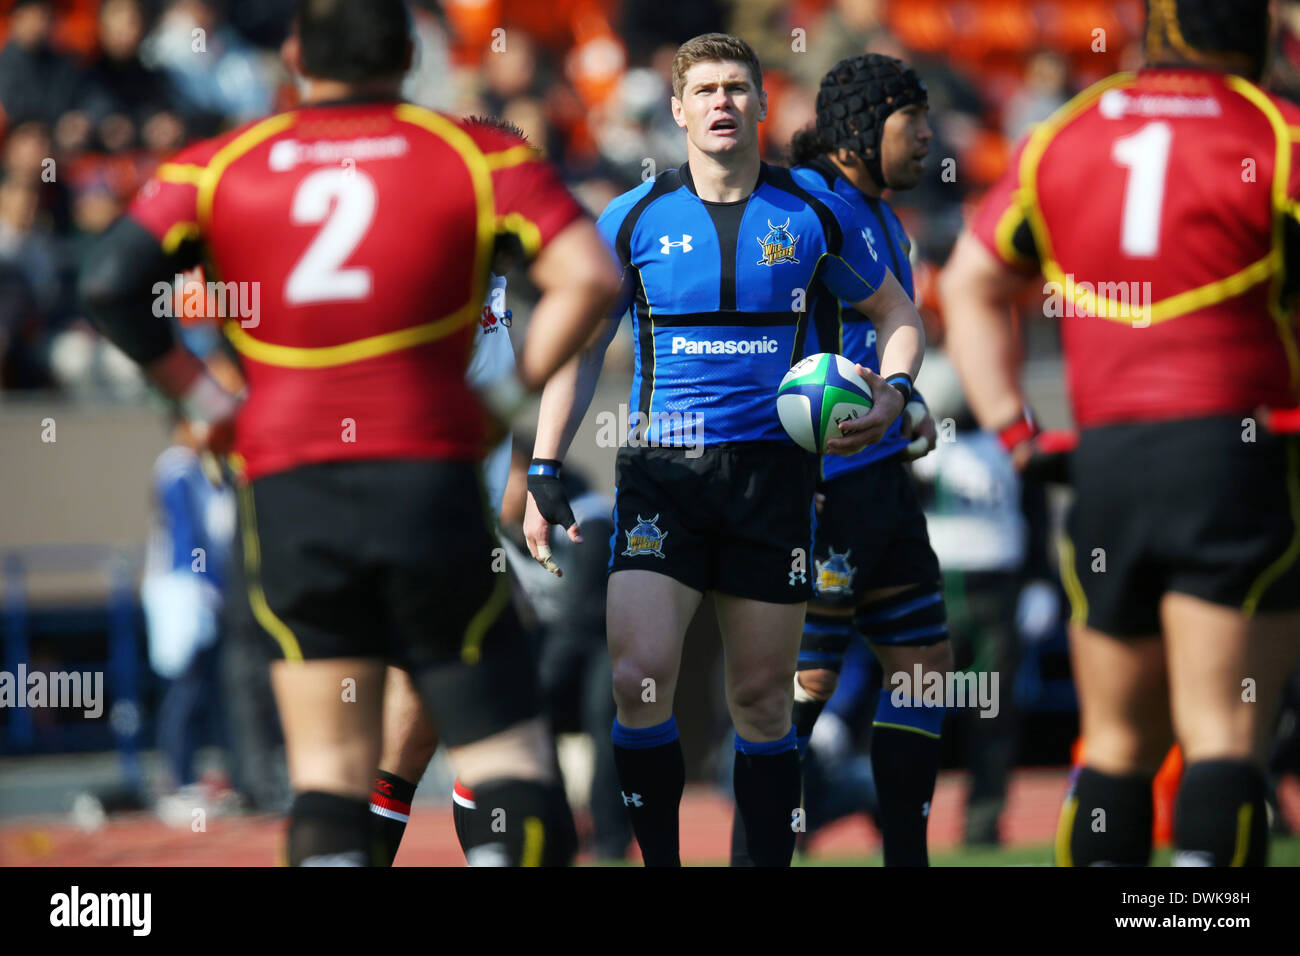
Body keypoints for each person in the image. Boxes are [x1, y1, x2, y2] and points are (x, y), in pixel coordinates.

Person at [80, 0, 622, 866]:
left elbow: (110, 282)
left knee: (327, 774)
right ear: (411, 55)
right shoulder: (470, 156)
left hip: (291, 484)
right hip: (426, 469)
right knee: (508, 753)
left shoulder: (223, 162)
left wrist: (208, 406)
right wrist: (509, 409)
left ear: (292, 55)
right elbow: (591, 277)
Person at [524, 32, 926, 867]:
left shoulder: (813, 213)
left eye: (737, 87)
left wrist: (897, 394)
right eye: (703, 89)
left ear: (762, 102)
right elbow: (582, 350)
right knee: (638, 677)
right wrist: (542, 465)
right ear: (676, 110)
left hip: (774, 482)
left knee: (762, 705)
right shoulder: (631, 217)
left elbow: (897, 314)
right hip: (662, 475)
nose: (721, 103)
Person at [938, 0, 1300, 866]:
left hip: (1104, 463)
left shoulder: (1066, 132)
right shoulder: (1276, 132)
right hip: (1233, 455)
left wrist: (1016, 433)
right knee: (1222, 735)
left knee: (1114, 746)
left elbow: (968, 284)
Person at [731, 53, 946, 867]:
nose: (929, 137)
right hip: (823, 488)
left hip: (882, 482)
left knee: (924, 667)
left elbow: (864, 341)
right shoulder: (802, 204)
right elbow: (757, 337)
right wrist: (792, 466)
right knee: (798, 691)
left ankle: (908, 857)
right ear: (860, 125)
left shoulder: (880, 212)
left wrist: (907, 399)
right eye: (911, 120)